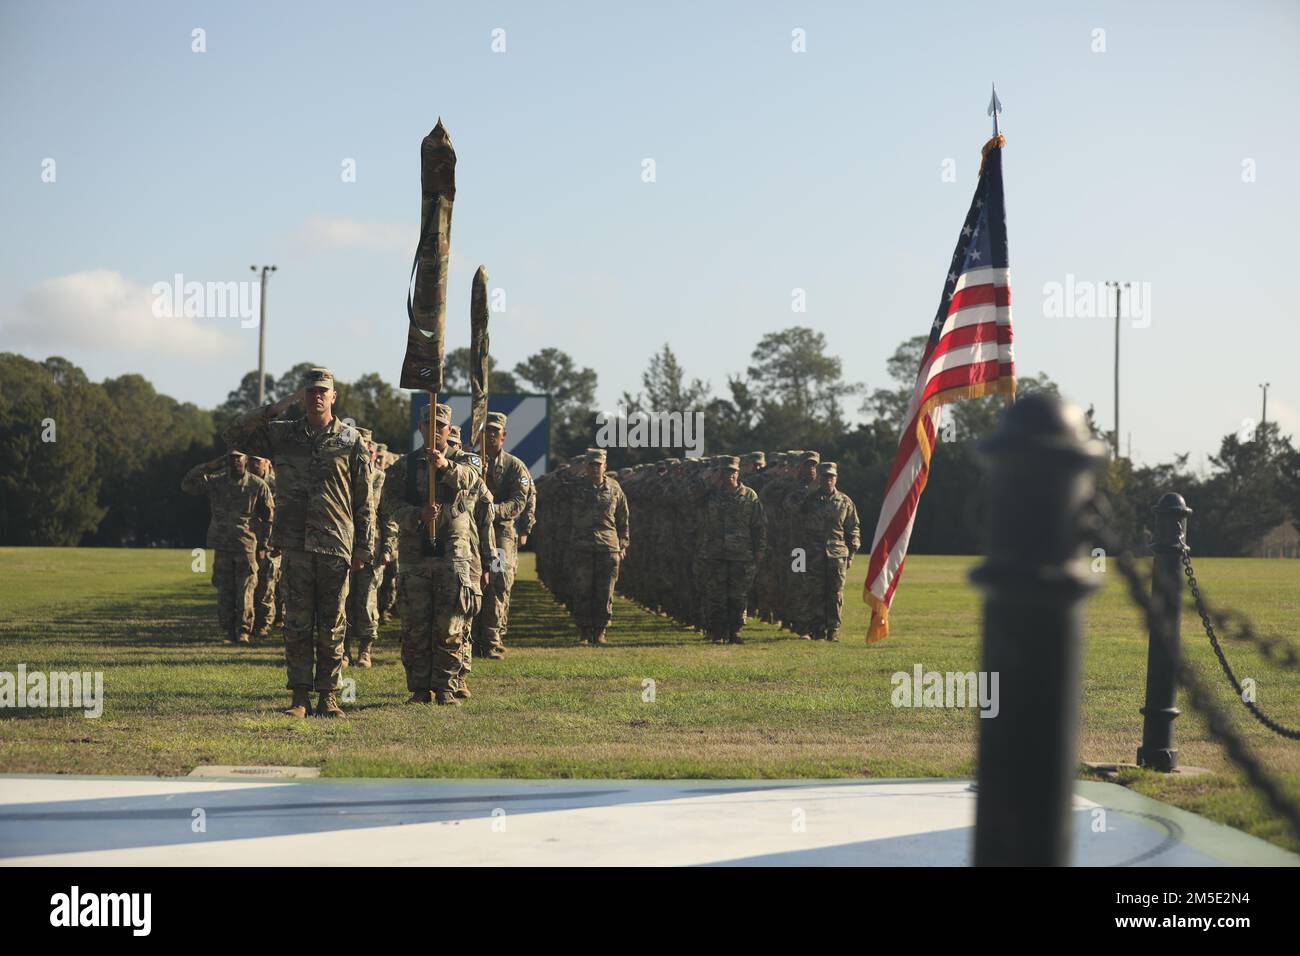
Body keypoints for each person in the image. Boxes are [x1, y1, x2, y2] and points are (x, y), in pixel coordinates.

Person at [222, 368, 376, 718]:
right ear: (302, 396)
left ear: (334, 397)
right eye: (310, 391)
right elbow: (232, 434)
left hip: (336, 543)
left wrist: (364, 548)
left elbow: (365, 501)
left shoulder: (351, 441)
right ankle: (299, 697)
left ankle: (329, 696)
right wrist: (276, 407)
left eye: (323, 391)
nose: (317, 396)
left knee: (333, 623)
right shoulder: (284, 435)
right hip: (295, 544)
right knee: (296, 623)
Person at [379, 403, 494, 705]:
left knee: (450, 624)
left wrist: (444, 467)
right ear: (421, 428)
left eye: (440, 426)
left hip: (453, 554)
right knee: (415, 626)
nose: (435, 431)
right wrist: (417, 515)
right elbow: (388, 502)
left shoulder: (467, 461)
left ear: (449, 428)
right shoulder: (404, 466)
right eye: (429, 425)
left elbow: (472, 484)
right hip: (415, 555)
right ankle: (418, 688)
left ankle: (446, 686)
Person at [181, 450, 273, 644]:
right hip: (222, 545)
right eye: (230, 458)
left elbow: (269, 518)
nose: (234, 462)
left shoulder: (257, 485)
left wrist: (264, 544)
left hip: (246, 545)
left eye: (238, 458)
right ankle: (228, 632)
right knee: (225, 591)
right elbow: (187, 485)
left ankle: (244, 632)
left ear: (245, 460)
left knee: (245, 591)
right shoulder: (216, 481)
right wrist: (209, 466)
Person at [472, 411, 532, 660]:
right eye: (487, 431)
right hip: (474, 532)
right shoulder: (471, 462)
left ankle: (493, 639)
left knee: (498, 582)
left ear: (504, 436)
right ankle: (472, 638)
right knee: (474, 582)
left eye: (495, 432)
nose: (491, 436)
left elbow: (520, 500)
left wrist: (493, 511)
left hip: (500, 533)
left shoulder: (514, 466)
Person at [787, 461, 860, 642]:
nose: (828, 480)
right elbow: (790, 509)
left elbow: (853, 528)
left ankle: (833, 629)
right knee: (815, 592)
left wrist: (851, 553)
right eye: (824, 476)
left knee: (835, 593)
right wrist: (807, 491)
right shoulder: (808, 500)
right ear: (819, 479)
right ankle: (817, 630)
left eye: (831, 476)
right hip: (813, 553)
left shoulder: (845, 501)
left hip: (837, 554)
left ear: (836, 478)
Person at [697, 456, 766, 644]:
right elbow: (690, 499)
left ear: (738, 473)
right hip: (715, 553)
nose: (729, 475)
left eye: (732, 471)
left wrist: (759, 549)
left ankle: (735, 631)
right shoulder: (710, 494)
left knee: (738, 596)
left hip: (741, 554)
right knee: (716, 595)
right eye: (725, 471)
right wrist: (710, 481)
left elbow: (759, 525)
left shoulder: (749, 496)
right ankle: (718, 632)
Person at [567, 448, 629, 645]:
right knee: (582, 590)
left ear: (605, 466)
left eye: (598, 465)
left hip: (608, 547)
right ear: (586, 467)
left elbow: (623, 520)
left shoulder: (615, 488)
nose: (595, 469)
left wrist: (623, 545)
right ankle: (584, 632)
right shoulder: (575, 487)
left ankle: (601, 631)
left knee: (605, 591)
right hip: (582, 546)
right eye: (591, 465)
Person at [343, 428, 389, 668]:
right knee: (344, 599)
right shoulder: (344, 474)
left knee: (367, 600)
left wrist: (389, 545)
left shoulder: (380, 478)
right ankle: (344, 651)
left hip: (373, 546)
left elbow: (387, 514)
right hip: (345, 543)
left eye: (368, 446)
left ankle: (365, 650)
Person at [247, 455, 280, 638]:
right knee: (250, 585)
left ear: (268, 463)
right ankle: (248, 623)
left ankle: (264, 624)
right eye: (250, 461)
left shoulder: (277, 485)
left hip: (271, 542)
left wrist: (268, 543)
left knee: (267, 585)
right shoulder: (248, 483)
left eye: (257, 461)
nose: (252, 465)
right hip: (249, 541)